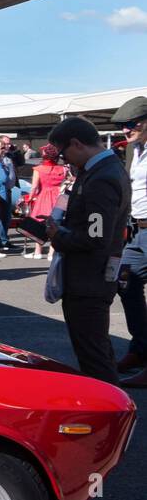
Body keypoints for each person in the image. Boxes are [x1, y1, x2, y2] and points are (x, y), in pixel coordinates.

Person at [45, 116, 131, 384]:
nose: (65, 161)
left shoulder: (101, 177)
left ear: (76, 143)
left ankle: (110, 413)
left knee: (94, 357)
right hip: (92, 276)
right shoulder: (103, 169)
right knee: (97, 351)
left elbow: (95, 237)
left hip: (88, 278)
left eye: (64, 154)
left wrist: (58, 237)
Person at [112, 98, 147, 386]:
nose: (125, 130)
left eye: (132, 124)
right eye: (122, 126)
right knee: (124, 280)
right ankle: (140, 350)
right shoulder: (133, 150)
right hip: (138, 230)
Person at [23, 143, 67, 261]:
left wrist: (30, 197)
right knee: (56, 224)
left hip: (43, 196)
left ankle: (37, 251)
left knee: (39, 223)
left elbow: (34, 187)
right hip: (59, 197)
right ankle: (51, 254)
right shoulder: (63, 169)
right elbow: (65, 184)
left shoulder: (38, 169)